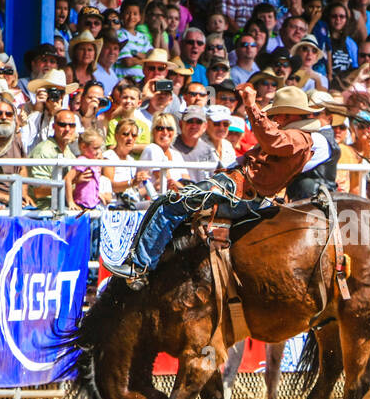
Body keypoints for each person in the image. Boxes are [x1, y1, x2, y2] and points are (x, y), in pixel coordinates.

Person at [129, 85, 327, 278]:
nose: (273, 120)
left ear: (286, 115)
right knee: (168, 203)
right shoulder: (295, 139)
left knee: (169, 204)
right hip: (236, 188)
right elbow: (270, 143)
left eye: (275, 116)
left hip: (237, 192)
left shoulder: (296, 138)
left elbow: (272, 140)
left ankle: (139, 267)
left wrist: (251, 106)